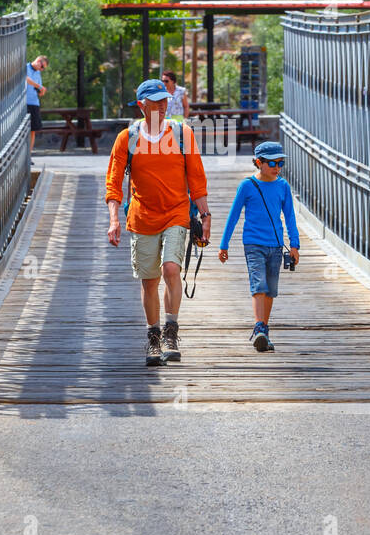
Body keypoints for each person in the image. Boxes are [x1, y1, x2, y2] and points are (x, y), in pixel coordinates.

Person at [105, 78, 211, 367]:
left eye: (165, 101)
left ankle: (171, 332)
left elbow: (197, 179)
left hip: (177, 212)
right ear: (142, 105)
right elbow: (114, 182)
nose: (163, 106)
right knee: (149, 281)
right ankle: (153, 336)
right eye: (156, 102)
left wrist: (205, 215)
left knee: (171, 269)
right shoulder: (128, 138)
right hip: (141, 216)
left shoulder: (182, 134)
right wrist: (114, 219)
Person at [217, 140, 300, 352]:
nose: (278, 168)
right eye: (273, 163)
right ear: (259, 162)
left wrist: (294, 245)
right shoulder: (247, 186)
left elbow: (290, 217)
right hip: (253, 243)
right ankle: (259, 327)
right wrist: (223, 244)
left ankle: (264, 329)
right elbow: (233, 216)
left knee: (271, 290)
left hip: (275, 245)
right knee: (259, 284)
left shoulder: (283, 186)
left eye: (280, 163)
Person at [25, 55, 48, 149]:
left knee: (33, 130)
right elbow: (26, 79)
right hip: (24, 102)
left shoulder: (38, 73)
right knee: (22, 129)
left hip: (34, 102)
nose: (42, 69)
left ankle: (29, 156)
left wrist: (41, 91)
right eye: (42, 67)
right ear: (38, 61)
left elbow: (38, 86)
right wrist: (38, 86)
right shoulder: (25, 67)